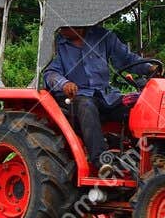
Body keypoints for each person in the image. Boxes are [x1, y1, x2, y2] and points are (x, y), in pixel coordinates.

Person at [42, 23, 158, 201]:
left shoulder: (103, 36)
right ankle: (102, 162)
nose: (61, 29)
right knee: (87, 106)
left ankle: (142, 160)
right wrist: (64, 84)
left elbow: (126, 59)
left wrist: (149, 68)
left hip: (104, 95)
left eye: (66, 26)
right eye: (61, 26)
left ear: (80, 24)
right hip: (74, 98)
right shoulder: (57, 44)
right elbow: (50, 72)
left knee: (136, 108)